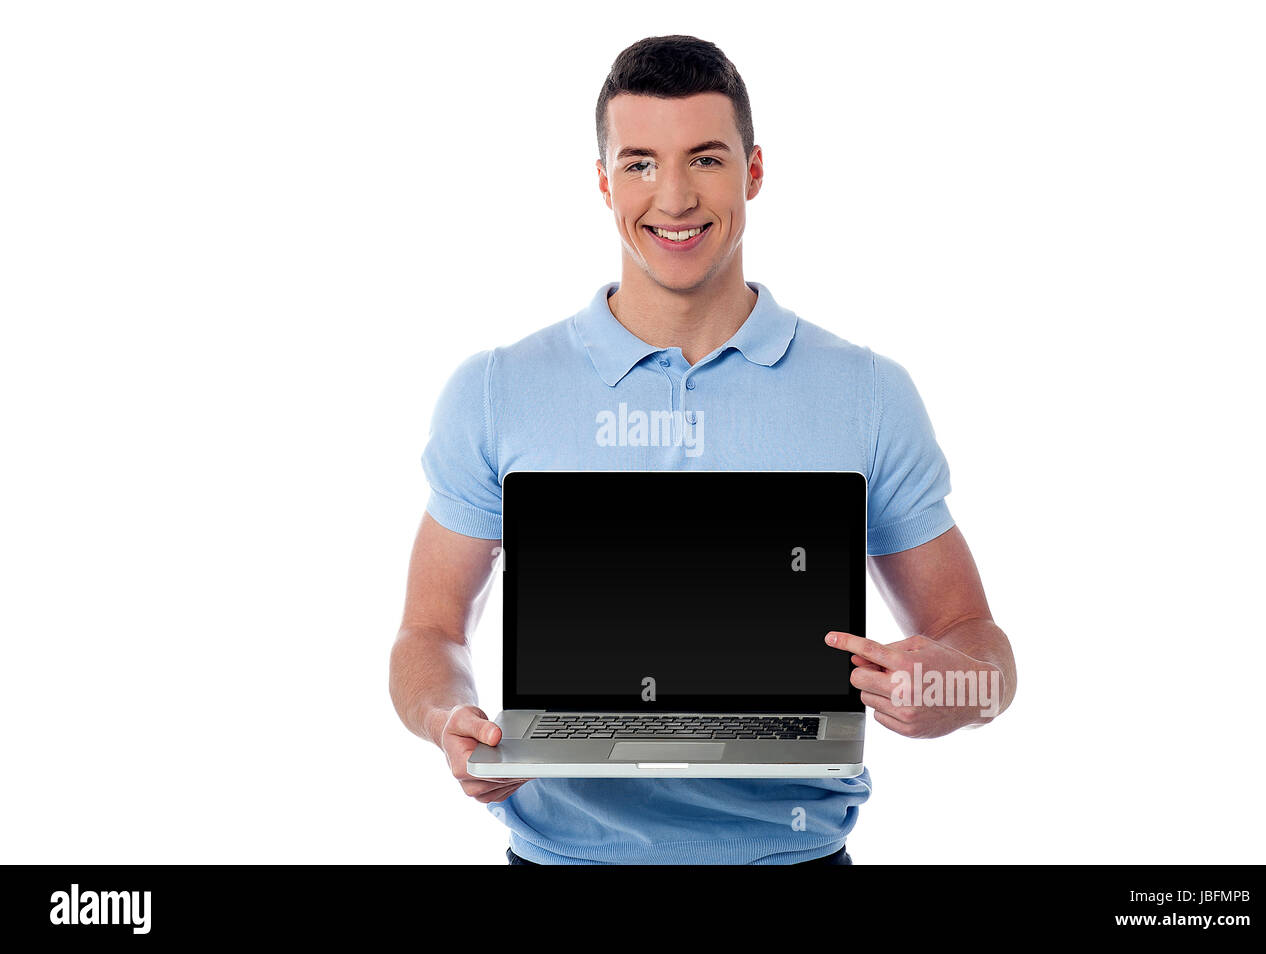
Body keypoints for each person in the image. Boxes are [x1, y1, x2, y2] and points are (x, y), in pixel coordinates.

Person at [389, 34, 1017, 865]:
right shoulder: (499, 389)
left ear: (754, 172)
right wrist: (447, 720)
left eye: (707, 160)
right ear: (603, 180)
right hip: (561, 861)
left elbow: (983, 650)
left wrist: (942, 689)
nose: (675, 197)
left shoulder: (866, 392)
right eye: (641, 163)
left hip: (793, 859)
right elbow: (428, 633)